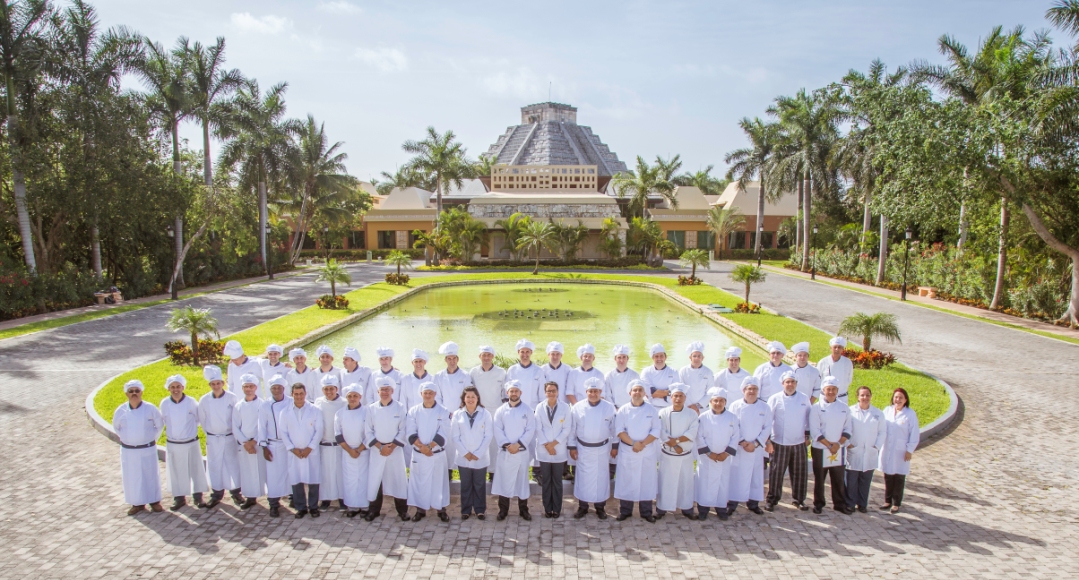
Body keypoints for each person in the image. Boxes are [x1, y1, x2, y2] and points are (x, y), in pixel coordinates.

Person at [113, 379, 164, 515]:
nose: (134, 394)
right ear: (126, 394)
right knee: (132, 476)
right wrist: (128, 439)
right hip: (129, 451)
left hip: (147, 448)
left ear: (141, 392)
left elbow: (159, 426)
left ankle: (154, 501)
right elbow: (116, 427)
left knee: (150, 474)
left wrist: (150, 439)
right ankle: (137, 503)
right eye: (131, 391)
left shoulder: (150, 408)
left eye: (137, 391)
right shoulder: (121, 410)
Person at [569, 378, 617, 519]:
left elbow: (614, 429)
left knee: (601, 479)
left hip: (602, 449)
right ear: (586, 392)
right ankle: (582, 507)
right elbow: (572, 429)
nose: (593, 393)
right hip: (583, 449)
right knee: (583, 479)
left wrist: (614, 446)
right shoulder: (577, 407)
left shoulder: (609, 407)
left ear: (600, 392)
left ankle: (600, 507)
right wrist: (572, 447)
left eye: (596, 391)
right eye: (591, 391)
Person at [613, 381, 661, 522]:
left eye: (640, 390)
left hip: (646, 450)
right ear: (630, 393)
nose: (637, 393)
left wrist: (643, 444)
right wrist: (634, 443)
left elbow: (656, 430)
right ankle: (625, 511)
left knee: (646, 481)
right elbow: (619, 430)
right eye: (635, 390)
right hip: (628, 450)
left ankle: (646, 512)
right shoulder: (623, 410)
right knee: (626, 480)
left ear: (645, 393)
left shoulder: (651, 410)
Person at [364, 377, 409, 522]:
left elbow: (403, 430)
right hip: (378, 450)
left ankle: (402, 511)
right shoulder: (371, 409)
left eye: (387, 389)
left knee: (399, 479)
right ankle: (374, 510)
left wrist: (392, 446)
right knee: (375, 479)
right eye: (382, 390)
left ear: (393, 391)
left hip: (394, 450)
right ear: (378, 391)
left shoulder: (400, 407)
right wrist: (380, 447)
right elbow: (368, 431)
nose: (385, 392)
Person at [765, 371, 812, 512]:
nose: (790, 384)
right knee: (776, 472)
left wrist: (808, 436)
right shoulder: (774, 399)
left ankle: (799, 499)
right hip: (779, 442)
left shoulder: (804, 399)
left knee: (800, 472)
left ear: (796, 384)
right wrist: (768, 440)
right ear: (782, 384)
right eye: (787, 382)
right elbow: (768, 420)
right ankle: (772, 500)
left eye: (793, 382)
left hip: (799, 442)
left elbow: (809, 418)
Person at [159, 374, 207, 511]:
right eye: (172, 387)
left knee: (196, 469)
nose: (175, 389)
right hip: (173, 443)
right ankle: (179, 498)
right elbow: (163, 421)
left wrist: (188, 432)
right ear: (168, 388)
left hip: (191, 441)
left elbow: (198, 420)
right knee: (176, 471)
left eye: (178, 386)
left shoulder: (191, 402)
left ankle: (198, 497)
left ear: (183, 387)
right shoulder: (165, 403)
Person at [198, 365, 243, 509]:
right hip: (213, 438)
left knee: (233, 465)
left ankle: (236, 492)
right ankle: (216, 494)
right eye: (213, 384)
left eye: (218, 383)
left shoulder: (232, 398)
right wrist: (211, 434)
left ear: (223, 383)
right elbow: (203, 420)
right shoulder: (204, 400)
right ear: (209, 385)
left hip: (229, 437)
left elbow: (236, 418)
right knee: (214, 466)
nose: (216, 386)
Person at [405, 382, 451, 522]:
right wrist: (421, 447)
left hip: (436, 454)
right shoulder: (413, 411)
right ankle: (420, 509)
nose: (428, 395)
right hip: (420, 454)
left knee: (439, 482)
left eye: (431, 393)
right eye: (425, 393)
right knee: (420, 482)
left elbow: (443, 432)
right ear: (421, 394)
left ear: (435, 394)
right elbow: (411, 432)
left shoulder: (443, 411)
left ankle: (441, 509)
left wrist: (429, 447)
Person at [726, 376, 772, 516]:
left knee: (755, 477)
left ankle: (753, 503)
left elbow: (767, 427)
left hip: (756, 449)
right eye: (749, 389)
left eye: (754, 389)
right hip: (740, 448)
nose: (751, 391)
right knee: (736, 476)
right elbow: (732, 425)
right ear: (743, 390)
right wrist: (743, 442)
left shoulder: (765, 407)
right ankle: (732, 503)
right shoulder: (735, 406)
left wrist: (756, 443)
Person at [492, 380, 536, 521]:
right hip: (506, 452)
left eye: (516, 391)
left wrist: (518, 444)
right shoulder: (500, 411)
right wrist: (507, 445)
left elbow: (530, 429)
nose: (514, 393)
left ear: (520, 393)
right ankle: (503, 510)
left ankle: (524, 510)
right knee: (504, 481)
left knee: (522, 482)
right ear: (507, 393)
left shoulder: (528, 410)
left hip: (521, 452)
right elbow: (497, 429)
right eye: (511, 391)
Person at [694, 388, 741, 521]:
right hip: (707, 458)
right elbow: (699, 436)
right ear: (710, 402)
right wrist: (710, 453)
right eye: (715, 400)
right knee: (705, 483)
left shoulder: (732, 417)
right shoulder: (703, 417)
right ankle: (703, 509)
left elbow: (735, 436)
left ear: (725, 402)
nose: (718, 403)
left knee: (722, 483)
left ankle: (721, 508)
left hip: (724, 458)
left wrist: (726, 454)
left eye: (721, 401)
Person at [810, 376, 853, 514]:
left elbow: (848, 429)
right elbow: (815, 431)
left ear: (838, 390)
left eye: (834, 389)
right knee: (820, 479)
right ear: (823, 390)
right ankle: (818, 503)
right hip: (820, 449)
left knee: (838, 478)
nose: (831, 392)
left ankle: (839, 504)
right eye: (828, 389)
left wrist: (838, 444)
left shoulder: (844, 408)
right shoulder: (816, 408)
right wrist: (829, 445)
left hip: (838, 449)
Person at [279, 383, 323, 518]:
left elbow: (319, 430)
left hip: (311, 451)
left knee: (313, 479)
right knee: (296, 479)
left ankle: (314, 507)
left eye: (301, 393)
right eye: (296, 394)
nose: (299, 396)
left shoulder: (315, 410)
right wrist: (292, 449)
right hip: (294, 452)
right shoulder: (285, 412)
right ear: (292, 394)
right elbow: (283, 432)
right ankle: (301, 507)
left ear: (306, 394)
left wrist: (310, 447)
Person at [656, 384, 698, 520]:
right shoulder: (663, 412)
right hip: (668, 454)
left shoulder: (692, 414)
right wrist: (674, 446)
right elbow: (661, 431)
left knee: (686, 481)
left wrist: (678, 441)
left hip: (685, 454)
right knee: (666, 481)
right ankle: (662, 508)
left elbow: (692, 431)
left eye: (681, 396)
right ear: (671, 397)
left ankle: (686, 508)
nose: (678, 398)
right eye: (675, 396)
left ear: (685, 398)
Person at [452, 386, 494, 520]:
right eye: (468, 397)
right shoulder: (457, 414)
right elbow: (455, 437)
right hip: (463, 456)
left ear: (477, 399)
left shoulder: (485, 414)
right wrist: (465, 453)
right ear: (463, 399)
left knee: (479, 484)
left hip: (479, 456)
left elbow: (488, 436)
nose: (470, 399)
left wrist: (478, 453)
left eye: (473, 397)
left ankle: (480, 510)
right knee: (465, 484)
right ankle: (466, 510)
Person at [435, 341, 472, 479]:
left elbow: (467, 396)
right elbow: (437, 396)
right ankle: (447, 473)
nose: (451, 361)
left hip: (461, 415)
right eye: (449, 359)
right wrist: (446, 412)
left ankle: (463, 472)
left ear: (458, 359)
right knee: (447, 444)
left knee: (461, 442)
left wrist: (458, 411)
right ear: (445, 360)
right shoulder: (438, 376)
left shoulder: (465, 375)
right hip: (444, 416)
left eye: (454, 358)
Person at [534, 380, 572, 518]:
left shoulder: (565, 407)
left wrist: (554, 444)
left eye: (553, 391)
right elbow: (537, 427)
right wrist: (547, 445)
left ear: (557, 392)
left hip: (558, 449)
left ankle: (556, 509)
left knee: (557, 481)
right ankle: (547, 509)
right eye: (548, 391)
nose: (551, 393)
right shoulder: (539, 407)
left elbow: (567, 428)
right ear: (545, 393)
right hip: (544, 450)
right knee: (546, 481)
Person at [845, 386, 886, 513]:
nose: (865, 398)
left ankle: (862, 504)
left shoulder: (878, 413)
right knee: (851, 480)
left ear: (871, 396)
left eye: (867, 395)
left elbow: (882, 432)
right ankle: (850, 503)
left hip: (870, 452)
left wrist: (876, 446)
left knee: (865, 480)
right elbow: (844, 429)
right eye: (862, 395)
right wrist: (848, 444)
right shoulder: (850, 412)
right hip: (854, 450)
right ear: (857, 397)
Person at [470, 345, 507, 480]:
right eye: (483, 355)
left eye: (489, 355)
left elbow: (505, 393)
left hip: (496, 411)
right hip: (479, 411)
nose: (486, 358)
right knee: (479, 440)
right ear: (479, 357)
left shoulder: (501, 372)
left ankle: (493, 472)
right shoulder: (473, 372)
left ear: (493, 356)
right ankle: (478, 470)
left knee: (493, 443)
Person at [880, 387, 919, 514]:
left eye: (901, 398)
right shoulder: (887, 411)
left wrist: (909, 450)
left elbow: (914, 433)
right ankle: (887, 500)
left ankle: (896, 502)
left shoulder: (910, 414)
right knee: (888, 475)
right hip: (887, 448)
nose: (898, 400)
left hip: (901, 450)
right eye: (896, 397)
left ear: (905, 400)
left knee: (899, 477)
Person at [258, 375, 292, 517]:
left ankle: (293, 498)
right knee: (273, 475)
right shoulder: (265, 405)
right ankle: (273, 503)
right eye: (274, 388)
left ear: (284, 388)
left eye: (279, 387)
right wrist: (264, 446)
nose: (277, 390)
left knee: (290, 472)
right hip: (272, 444)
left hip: (289, 444)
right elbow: (261, 426)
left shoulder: (291, 402)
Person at [335, 383, 370, 518]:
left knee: (363, 479)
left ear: (360, 396)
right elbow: (338, 434)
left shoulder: (367, 412)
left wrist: (360, 449)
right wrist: (350, 450)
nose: (353, 398)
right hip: (347, 452)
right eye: (350, 396)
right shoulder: (340, 413)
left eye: (355, 396)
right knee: (349, 479)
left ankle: (365, 506)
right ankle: (352, 506)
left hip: (363, 451)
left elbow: (370, 433)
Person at [232, 374, 266, 510]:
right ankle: (251, 497)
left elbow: (264, 425)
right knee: (247, 471)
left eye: (251, 386)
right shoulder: (238, 406)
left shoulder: (263, 404)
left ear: (256, 387)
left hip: (259, 442)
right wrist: (245, 442)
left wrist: (254, 441)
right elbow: (235, 426)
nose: (248, 389)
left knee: (263, 470)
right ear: (242, 388)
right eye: (246, 386)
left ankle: (272, 498)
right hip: (245, 445)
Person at [314, 374, 346, 510]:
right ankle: (326, 499)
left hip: (339, 445)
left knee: (340, 473)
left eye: (331, 389)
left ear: (336, 388)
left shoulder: (344, 403)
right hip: (324, 444)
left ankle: (342, 499)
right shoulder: (318, 402)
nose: (329, 392)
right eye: (326, 389)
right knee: (325, 473)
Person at [505, 339, 544, 409]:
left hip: (533, 408)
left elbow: (542, 393)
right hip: (515, 408)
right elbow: (507, 391)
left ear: (531, 352)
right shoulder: (512, 370)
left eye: (527, 352)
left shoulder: (538, 370)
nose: (525, 354)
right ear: (518, 352)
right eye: (522, 352)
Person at [678, 341, 713, 413]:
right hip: (687, 407)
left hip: (702, 408)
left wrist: (697, 405)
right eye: (694, 356)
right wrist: (690, 406)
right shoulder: (683, 371)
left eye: (699, 356)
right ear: (690, 357)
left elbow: (710, 392)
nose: (697, 358)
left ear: (703, 358)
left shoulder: (708, 372)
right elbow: (681, 390)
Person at [817, 337, 854, 401]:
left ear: (842, 349)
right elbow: (817, 379)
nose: (837, 349)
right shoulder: (823, 362)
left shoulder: (847, 362)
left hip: (842, 397)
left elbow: (849, 378)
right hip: (825, 397)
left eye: (839, 347)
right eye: (835, 347)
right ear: (831, 348)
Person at [641, 344, 677, 409]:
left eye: (661, 356)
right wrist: (668, 393)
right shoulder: (646, 372)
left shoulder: (674, 371)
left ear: (666, 357)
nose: (659, 358)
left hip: (669, 408)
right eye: (656, 356)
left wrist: (657, 393)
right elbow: (651, 392)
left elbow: (676, 392)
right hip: (651, 408)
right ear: (652, 358)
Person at [603, 344, 639, 410]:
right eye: (619, 357)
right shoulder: (608, 376)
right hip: (614, 409)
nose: (621, 360)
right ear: (615, 359)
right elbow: (607, 394)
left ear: (627, 358)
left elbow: (637, 394)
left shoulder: (634, 375)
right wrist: (614, 408)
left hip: (631, 408)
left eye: (624, 357)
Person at [399, 349, 433, 414]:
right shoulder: (406, 379)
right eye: (416, 361)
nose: (418, 364)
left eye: (420, 361)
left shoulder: (432, 379)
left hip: (429, 415)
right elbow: (403, 400)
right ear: (412, 363)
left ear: (424, 362)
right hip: (411, 417)